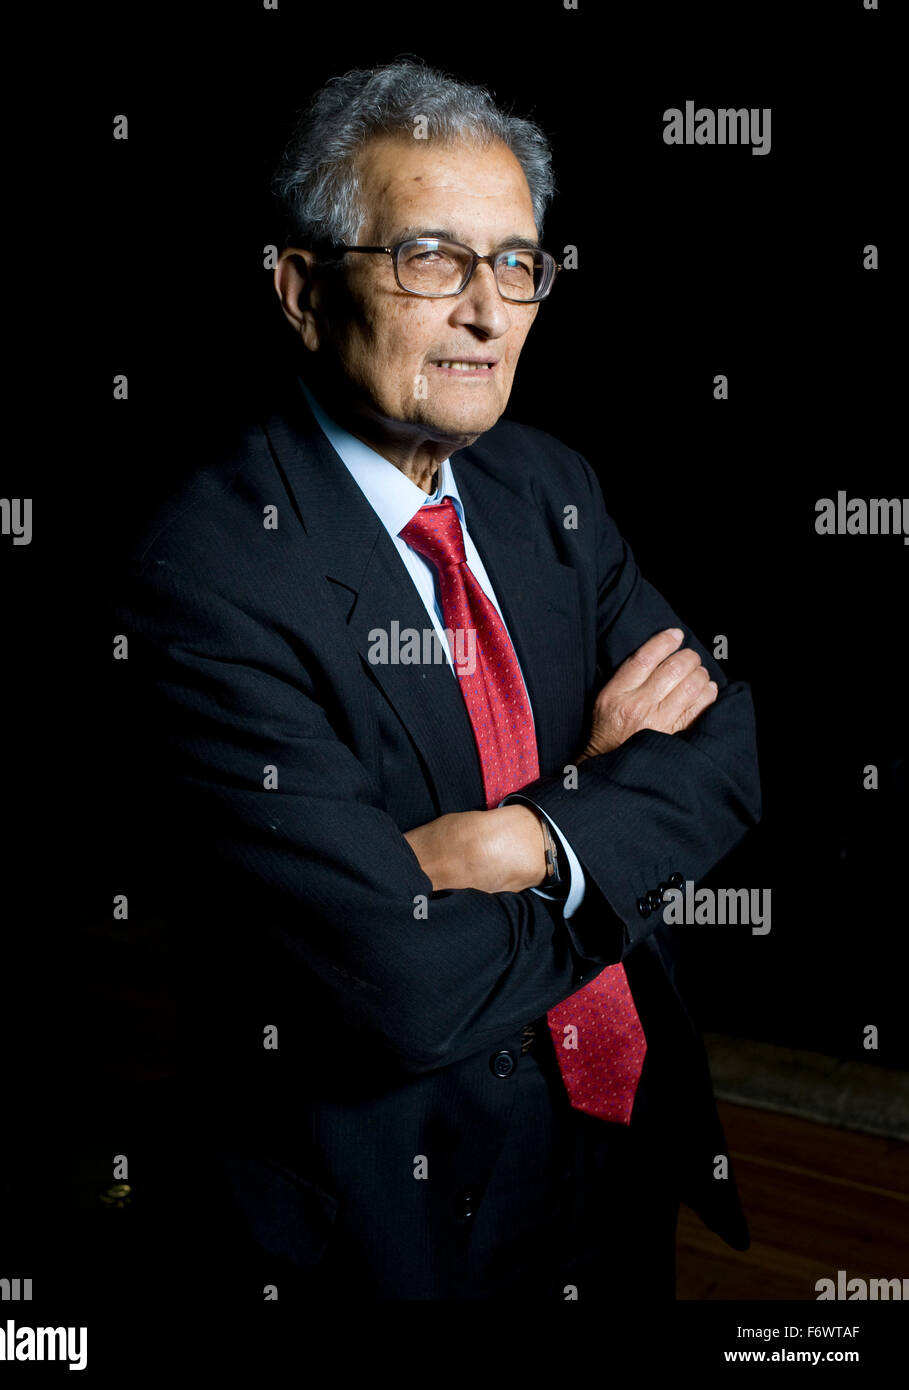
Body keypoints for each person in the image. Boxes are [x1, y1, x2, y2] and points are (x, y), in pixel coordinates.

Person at [112, 60, 760, 1303]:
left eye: (515, 263)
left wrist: (526, 837)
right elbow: (406, 983)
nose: (486, 312)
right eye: (428, 257)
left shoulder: (548, 488)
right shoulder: (204, 573)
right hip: (384, 1209)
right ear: (301, 289)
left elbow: (725, 747)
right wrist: (611, 807)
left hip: (615, 1135)